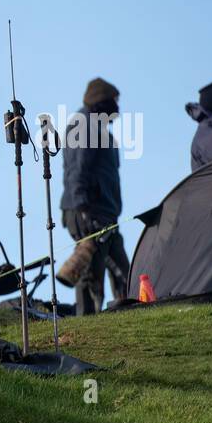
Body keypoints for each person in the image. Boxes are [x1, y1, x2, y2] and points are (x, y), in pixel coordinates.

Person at [58, 78, 130, 314]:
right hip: (88, 212)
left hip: (106, 215)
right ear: (102, 102)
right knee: (91, 275)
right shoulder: (84, 126)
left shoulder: (97, 127)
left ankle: (127, 315)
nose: (117, 108)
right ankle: (88, 324)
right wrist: (83, 210)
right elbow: (77, 171)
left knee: (122, 270)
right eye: (114, 102)